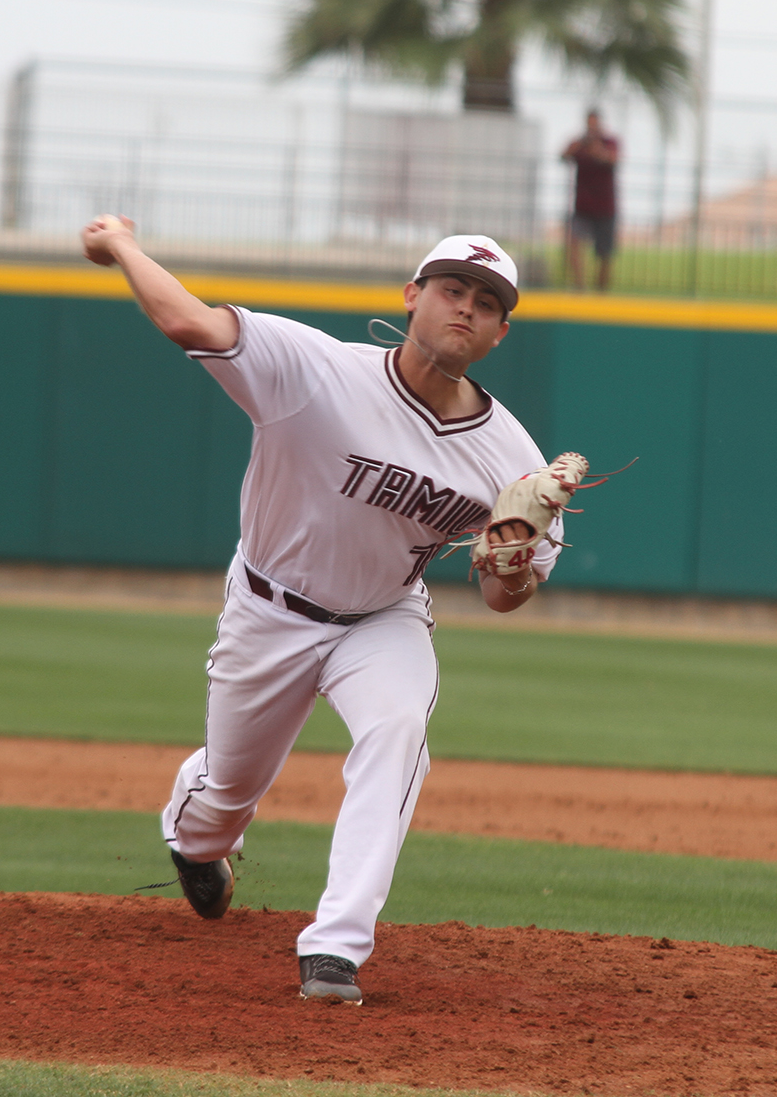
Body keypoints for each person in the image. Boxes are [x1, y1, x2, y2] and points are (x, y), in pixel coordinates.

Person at [81, 217, 564, 1005]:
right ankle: (197, 836)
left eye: (486, 301)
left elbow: (507, 596)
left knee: (399, 729)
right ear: (411, 297)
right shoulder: (315, 368)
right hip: (268, 611)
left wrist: (508, 566)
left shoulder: (513, 457)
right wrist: (125, 247)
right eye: (451, 289)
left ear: (502, 332)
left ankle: (334, 949)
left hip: (382, 618)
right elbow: (186, 321)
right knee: (222, 801)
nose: (465, 308)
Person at [560, 108, 620, 292]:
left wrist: (596, 149)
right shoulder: (579, 144)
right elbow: (563, 156)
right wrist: (578, 146)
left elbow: (612, 160)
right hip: (582, 207)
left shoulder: (610, 143)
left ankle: (601, 292)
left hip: (605, 207)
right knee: (574, 243)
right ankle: (580, 288)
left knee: (604, 254)